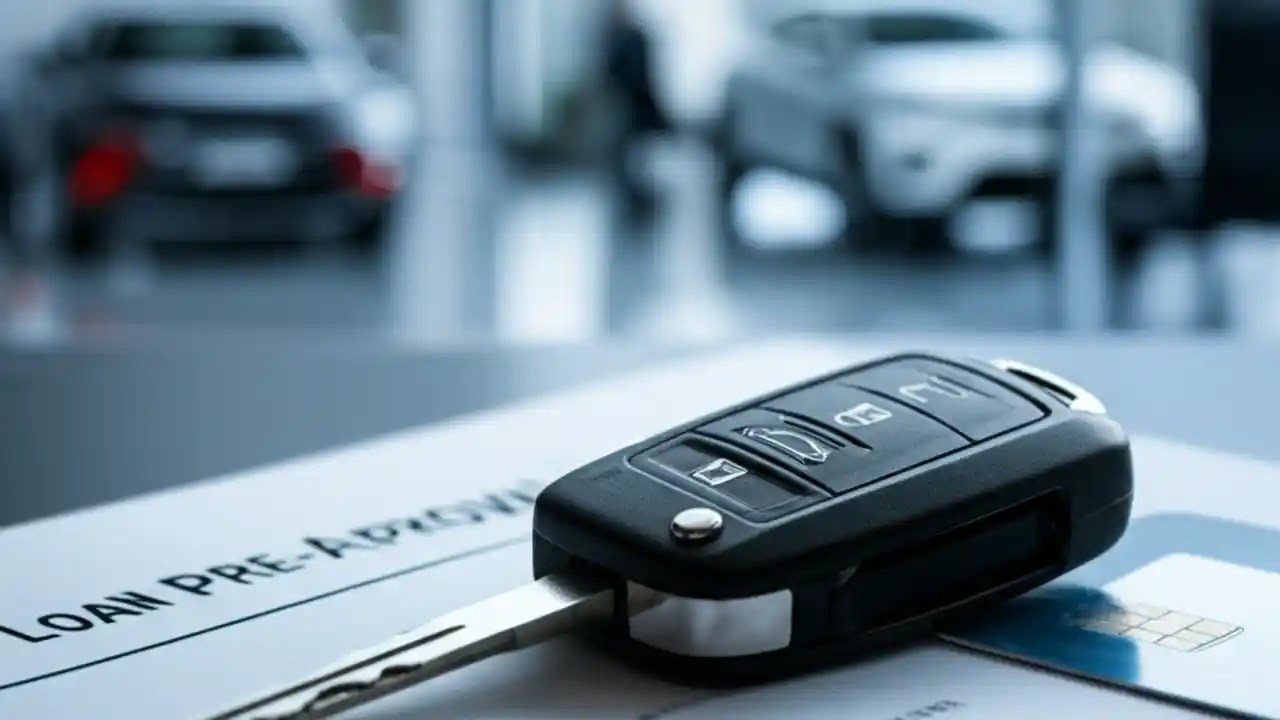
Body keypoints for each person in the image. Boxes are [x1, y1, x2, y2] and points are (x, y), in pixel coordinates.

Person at [602, 0, 669, 217]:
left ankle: (640, 197)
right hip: (627, 106)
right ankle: (634, 197)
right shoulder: (619, 39)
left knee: (638, 154)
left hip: (635, 106)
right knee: (629, 155)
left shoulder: (631, 39)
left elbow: (644, 76)